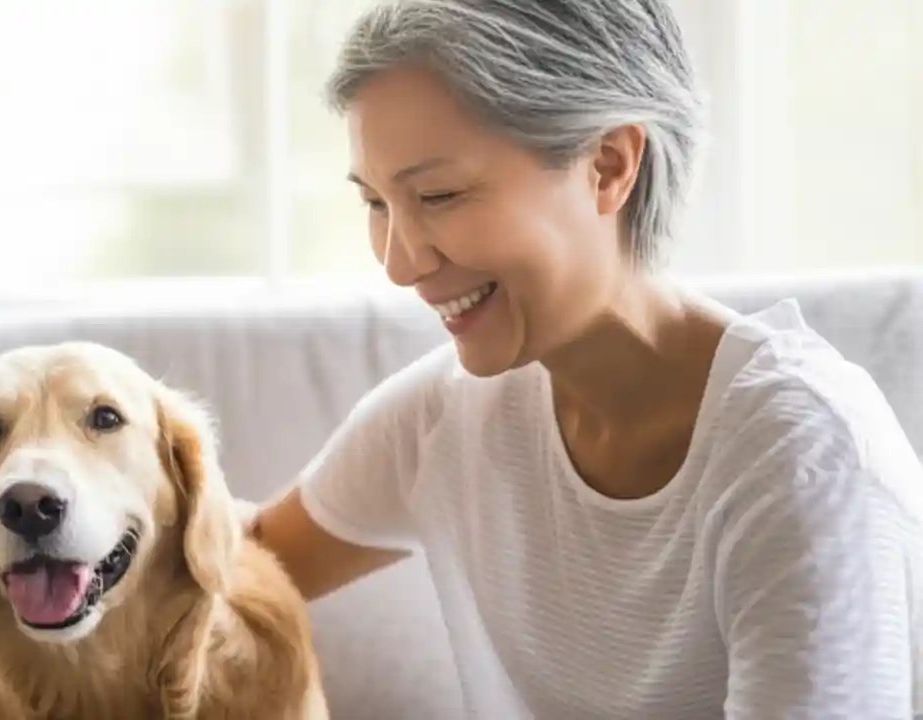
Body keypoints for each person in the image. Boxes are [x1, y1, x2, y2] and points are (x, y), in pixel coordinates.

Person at [241, 1, 923, 717]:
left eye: (438, 195)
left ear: (608, 166)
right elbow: (235, 562)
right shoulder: (445, 422)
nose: (400, 264)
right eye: (377, 204)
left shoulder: (802, 461)